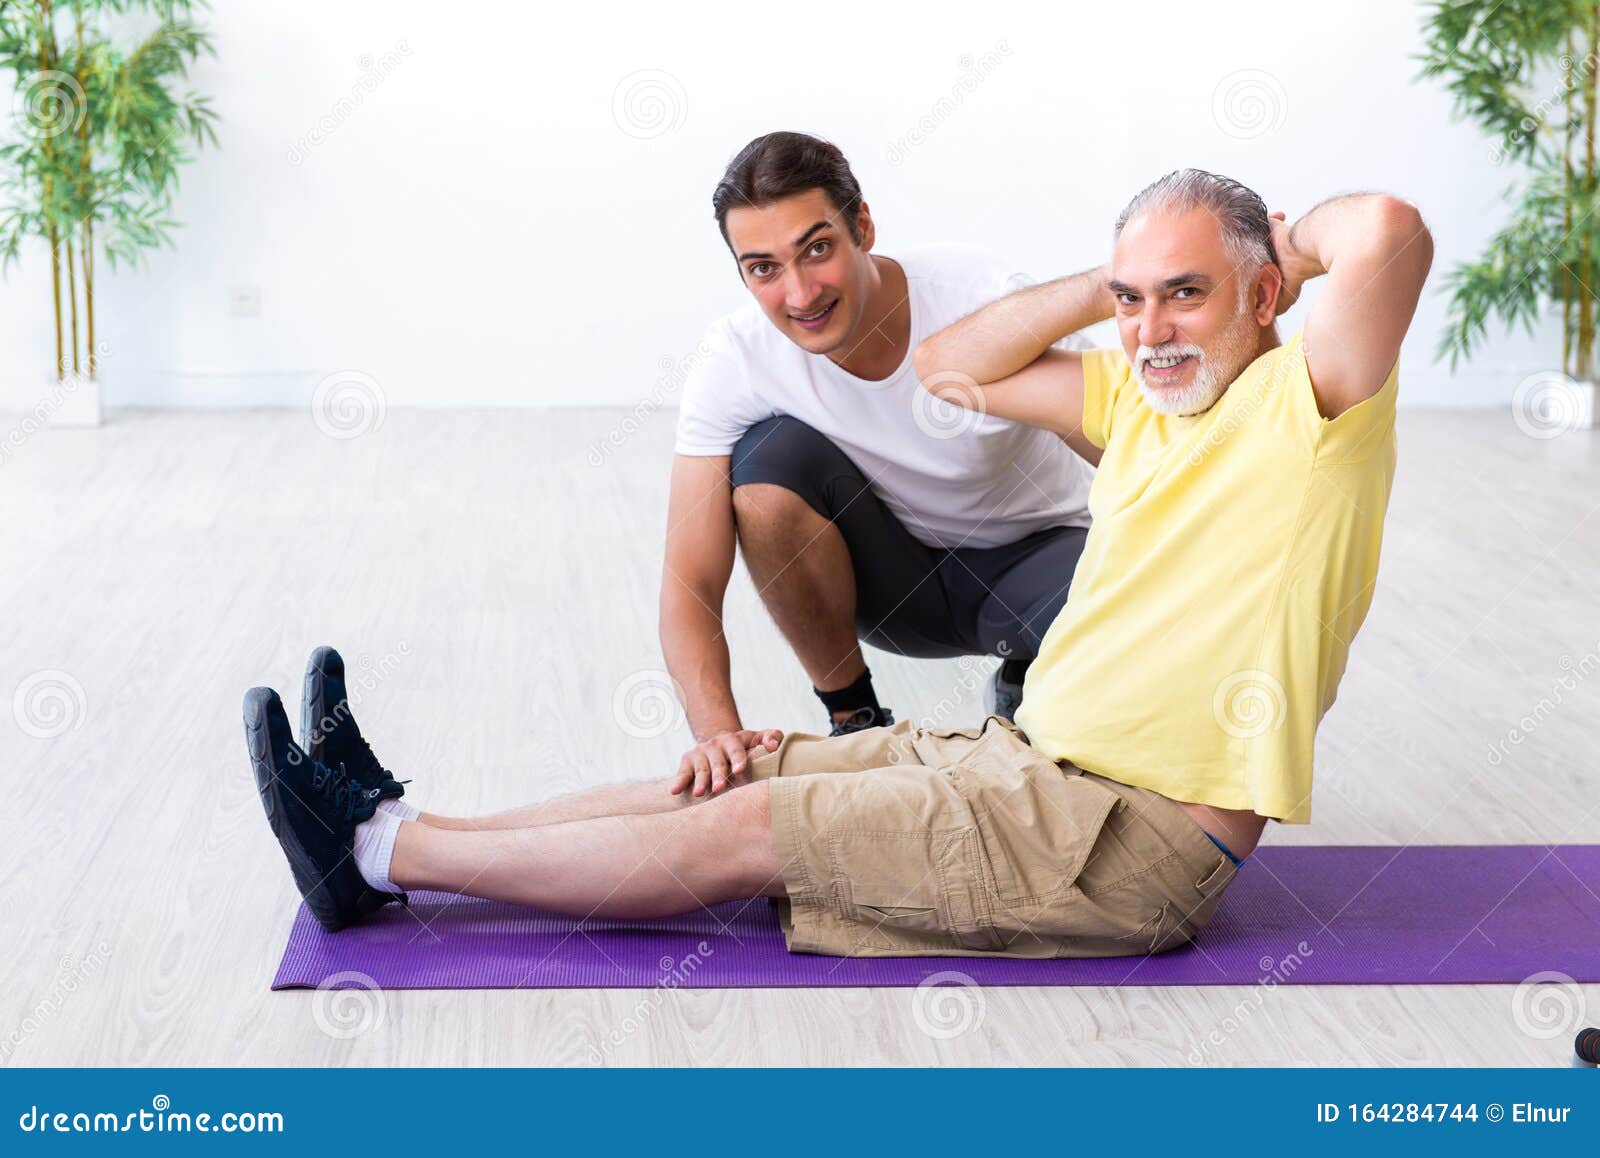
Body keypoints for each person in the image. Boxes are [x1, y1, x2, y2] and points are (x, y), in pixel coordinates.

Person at [246, 169, 1432, 958]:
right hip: (1027, 760)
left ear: (1266, 291)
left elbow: (1383, 231)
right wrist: (1108, 285)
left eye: (1187, 293)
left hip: (1130, 843)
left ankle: (366, 849)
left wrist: (1274, 239)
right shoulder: (1131, 393)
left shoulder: (1314, 407)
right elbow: (951, 365)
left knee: (749, 838)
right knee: (742, 775)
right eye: (1133, 300)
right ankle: (401, 819)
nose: (1150, 326)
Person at [661, 131, 1096, 801]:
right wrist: (716, 736)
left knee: (1125, 602)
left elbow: (1135, 448)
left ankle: (1033, 679)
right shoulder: (735, 359)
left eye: (816, 249)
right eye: (763, 268)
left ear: (861, 225)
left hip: (1039, 568)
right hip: (897, 588)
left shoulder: (979, 293)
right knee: (766, 463)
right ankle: (853, 721)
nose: (800, 292)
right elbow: (690, 579)